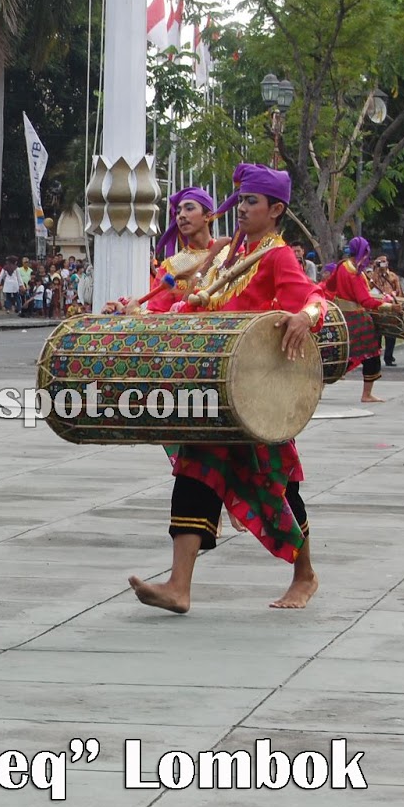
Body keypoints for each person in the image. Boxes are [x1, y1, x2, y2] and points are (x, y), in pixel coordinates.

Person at [128, 164, 324, 614]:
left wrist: (304, 317)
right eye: (240, 201)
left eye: (251, 202)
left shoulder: (277, 257)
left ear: (276, 210)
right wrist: (149, 314)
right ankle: (179, 586)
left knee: (279, 487)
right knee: (193, 474)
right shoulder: (228, 254)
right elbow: (194, 297)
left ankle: (305, 574)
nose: (241, 209)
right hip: (213, 388)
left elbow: (315, 299)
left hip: (256, 393)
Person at [104, 188, 226, 315]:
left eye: (189, 208)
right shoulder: (171, 267)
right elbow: (158, 315)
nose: (181, 215)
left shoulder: (233, 253)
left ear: (208, 216)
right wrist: (134, 312)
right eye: (178, 212)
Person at [322, 237, 389, 403]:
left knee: (338, 354)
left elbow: (329, 286)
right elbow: (365, 301)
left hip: (341, 317)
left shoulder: (341, 266)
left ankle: (319, 388)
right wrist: (386, 305)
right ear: (362, 252)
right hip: (358, 320)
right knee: (371, 355)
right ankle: (366, 394)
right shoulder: (355, 274)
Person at [370, 255, 403, 366]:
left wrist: (394, 295)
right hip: (377, 307)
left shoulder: (393, 276)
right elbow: (368, 287)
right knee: (377, 333)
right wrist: (375, 269)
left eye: (385, 262)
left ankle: (389, 357)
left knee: (391, 334)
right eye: (381, 262)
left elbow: (398, 291)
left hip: (390, 307)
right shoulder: (373, 276)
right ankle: (376, 357)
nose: (383, 264)